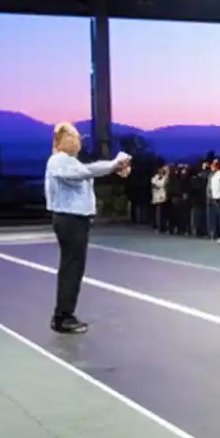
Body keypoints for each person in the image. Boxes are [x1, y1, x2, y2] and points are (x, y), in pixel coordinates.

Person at [44, 123, 129, 334]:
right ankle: (63, 316)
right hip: (69, 219)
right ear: (61, 141)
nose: (77, 141)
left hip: (75, 219)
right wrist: (113, 164)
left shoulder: (70, 162)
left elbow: (88, 171)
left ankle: (64, 314)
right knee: (72, 268)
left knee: (73, 267)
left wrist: (115, 167)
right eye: (72, 137)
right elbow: (87, 172)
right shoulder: (58, 161)